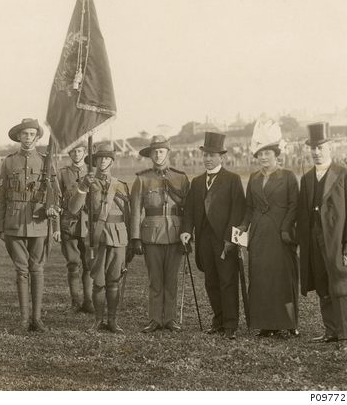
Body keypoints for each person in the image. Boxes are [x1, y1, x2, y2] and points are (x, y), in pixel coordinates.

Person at [296, 122, 347, 353]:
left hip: (336, 241)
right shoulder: (305, 179)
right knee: (323, 284)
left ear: (330, 147)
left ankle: (345, 335)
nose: (316, 152)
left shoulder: (345, 175)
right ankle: (331, 331)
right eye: (313, 148)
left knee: (340, 286)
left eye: (320, 147)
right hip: (313, 240)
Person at [0, 118, 59, 334]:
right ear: (19, 137)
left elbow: (55, 193)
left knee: (37, 270)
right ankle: (24, 321)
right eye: (24, 134)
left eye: (32, 134)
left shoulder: (46, 161)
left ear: (38, 137)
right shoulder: (8, 162)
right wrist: (0, 227)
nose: (28, 138)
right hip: (14, 222)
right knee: (21, 271)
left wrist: (52, 210)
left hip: (38, 221)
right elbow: (1, 197)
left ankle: (37, 319)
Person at [180, 132, 246, 340]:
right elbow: (189, 209)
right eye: (205, 155)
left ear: (221, 157)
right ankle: (218, 321)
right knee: (211, 281)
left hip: (224, 240)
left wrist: (230, 239)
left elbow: (238, 210)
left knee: (228, 281)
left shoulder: (232, 179)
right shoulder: (197, 181)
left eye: (213, 155)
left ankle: (231, 325)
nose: (208, 158)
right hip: (204, 241)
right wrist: (185, 230)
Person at [236, 121, 299, 337]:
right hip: (259, 236)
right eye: (260, 153)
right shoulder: (253, 178)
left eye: (268, 153)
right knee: (261, 279)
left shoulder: (288, 176)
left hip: (281, 235)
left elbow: (294, 206)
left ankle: (290, 324)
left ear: (276, 154)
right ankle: (266, 325)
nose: (263, 157)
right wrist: (243, 228)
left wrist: (286, 228)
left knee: (283, 279)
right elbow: (249, 208)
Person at [68, 144, 130, 334]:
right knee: (99, 281)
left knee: (114, 280)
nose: (103, 161)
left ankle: (112, 321)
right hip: (97, 237)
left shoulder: (121, 185)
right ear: (94, 161)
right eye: (100, 158)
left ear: (112, 160)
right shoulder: (87, 182)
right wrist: (83, 186)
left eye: (107, 158)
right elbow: (73, 209)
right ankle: (97, 321)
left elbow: (127, 215)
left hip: (118, 237)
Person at [130, 136, 190, 333]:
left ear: (168, 152)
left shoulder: (180, 178)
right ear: (150, 155)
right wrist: (136, 238)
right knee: (155, 280)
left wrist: (188, 234)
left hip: (175, 235)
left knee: (171, 280)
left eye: (161, 151)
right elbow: (135, 211)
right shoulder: (142, 178)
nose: (158, 154)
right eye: (154, 152)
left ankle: (170, 319)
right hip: (151, 236)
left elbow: (187, 210)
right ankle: (155, 319)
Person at [57, 140, 93, 313]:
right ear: (69, 154)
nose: (77, 154)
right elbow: (57, 202)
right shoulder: (62, 174)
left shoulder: (92, 173)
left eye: (80, 151)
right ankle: (75, 302)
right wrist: (56, 228)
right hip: (69, 224)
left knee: (89, 264)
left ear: (85, 153)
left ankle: (88, 301)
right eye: (73, 152)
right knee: (72, 263)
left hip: (88, 225)